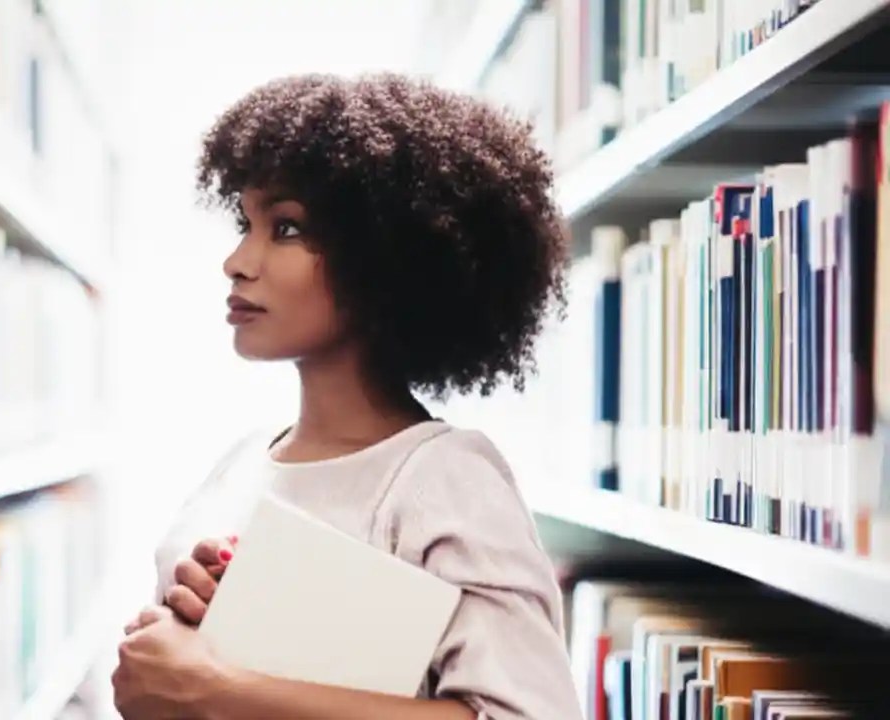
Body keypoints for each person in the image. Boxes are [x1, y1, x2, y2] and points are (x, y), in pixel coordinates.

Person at [112, 73, 582, 720]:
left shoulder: (444, 480)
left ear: (389, 257)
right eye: (245, 222)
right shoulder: (244, 462)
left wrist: (213, 686)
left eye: (285, 229)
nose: (237, 261)